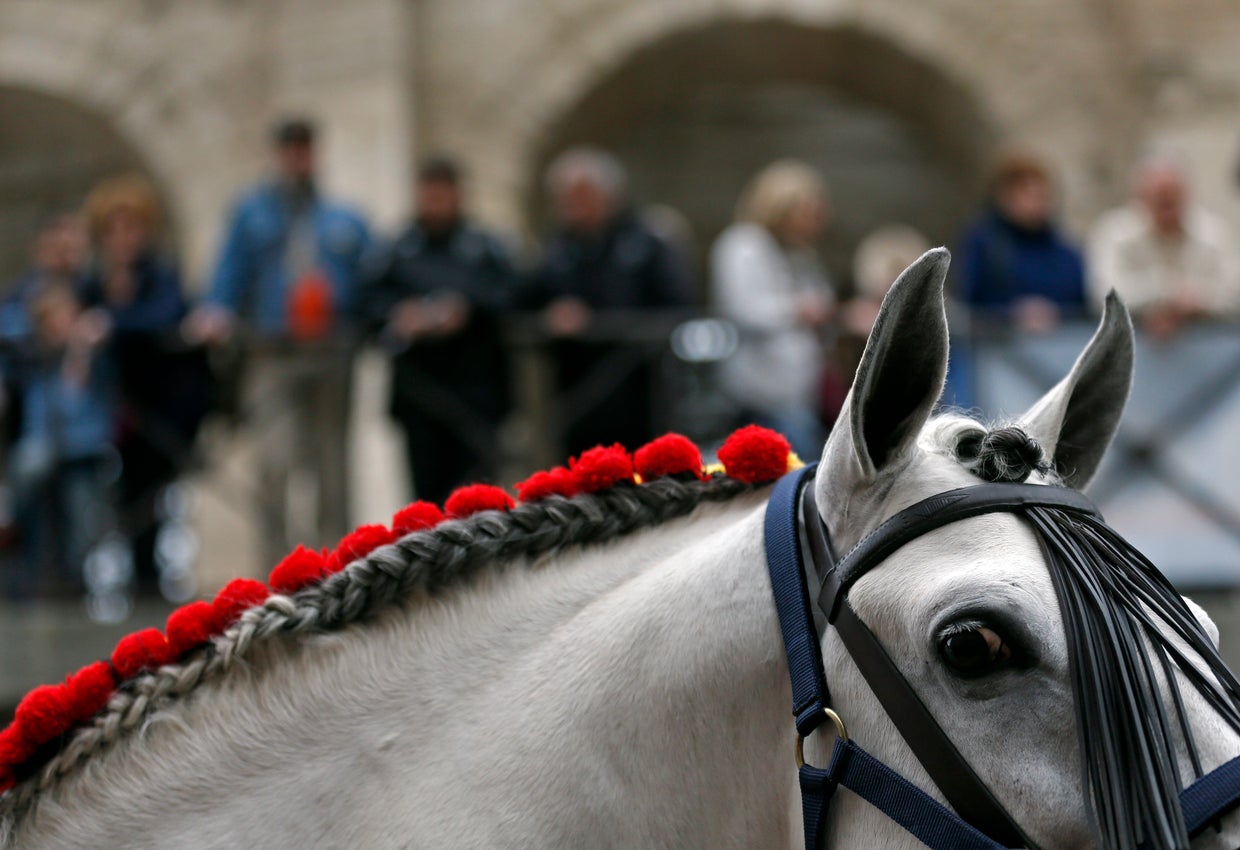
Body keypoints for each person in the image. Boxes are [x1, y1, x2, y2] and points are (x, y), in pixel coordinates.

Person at [185, 117, 371, 568]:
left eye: (305, 148)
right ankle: (278, 571)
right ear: (278, 155)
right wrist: (216, 310)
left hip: (331, 352)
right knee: (274, 462)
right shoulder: (251, 214)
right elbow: (229, 272)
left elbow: (372, 278)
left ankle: (339, 572)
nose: (298, 157)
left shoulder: (344, 218)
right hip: (272, 353)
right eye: (289, 149)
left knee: (333, 465)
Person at [80, 174, 210, 596]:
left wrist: (114, 320)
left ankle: (149, 586)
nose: (124, 237)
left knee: (152, 500)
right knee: (120, 500)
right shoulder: (93, 282)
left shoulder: (160, 276)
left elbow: (166, 317)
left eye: (131, 226)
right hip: (110, 409)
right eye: (114, 229)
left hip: (159, 410)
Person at [362, 157, 517, 504]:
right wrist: (401, 314)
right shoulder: (396, 250)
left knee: (479, 493)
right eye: (429, 194)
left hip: (476, 389)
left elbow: (512, 294)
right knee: (426, 498)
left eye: (442, 194)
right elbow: (366, 305)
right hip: (419, 393)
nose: (436, 202)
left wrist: (467, 309)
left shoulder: (485, 247)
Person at [526, 148, 694, 455]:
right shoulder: (557, 248)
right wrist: (552, 316)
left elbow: (677, 303)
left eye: (581, 197)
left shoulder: (646, 242)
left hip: (639, 392)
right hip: (577, 393)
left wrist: (599, 321)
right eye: (565, 198)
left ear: (608, 195)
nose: (572, 207)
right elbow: (529, 298)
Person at [711, 160, 835, 459]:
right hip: (760, 392)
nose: (813, 223)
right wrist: (799, 309)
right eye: (805, 213)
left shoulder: (802, 255)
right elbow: (743, 309)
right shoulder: (743, 245)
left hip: (800, 391)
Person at [5, 283, 116, 597]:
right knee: (30, 466)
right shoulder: (32, 357)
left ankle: (77, 583)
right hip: (42, 448)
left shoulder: (91, 355)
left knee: (82, 527)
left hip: (83, 448)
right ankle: (10, 522)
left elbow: (73, 395)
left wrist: (80, 350)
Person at [1088, 155, 1240, 339]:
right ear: (1140, 195)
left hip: (1210, 349)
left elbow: (1233, 294)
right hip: (1133, 349)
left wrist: (1195, 303)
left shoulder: (1215, 234)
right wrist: (1165, 296)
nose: (1166, 202)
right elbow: (1103, 295)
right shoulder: (1114, 234)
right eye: (1159, 196)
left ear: (1186, 194)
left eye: (1173, 195)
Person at [956, 150, 1086, 332]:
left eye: (1041, 196)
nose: (1035, 204)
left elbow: (1081, 303)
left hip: (1058, 343)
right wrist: (1011, 314)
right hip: (998, 346)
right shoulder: (985, 245)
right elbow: (969, 304)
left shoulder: (1065, 250)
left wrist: (1056, 314)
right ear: (1004, 197)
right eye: (1026, 194)